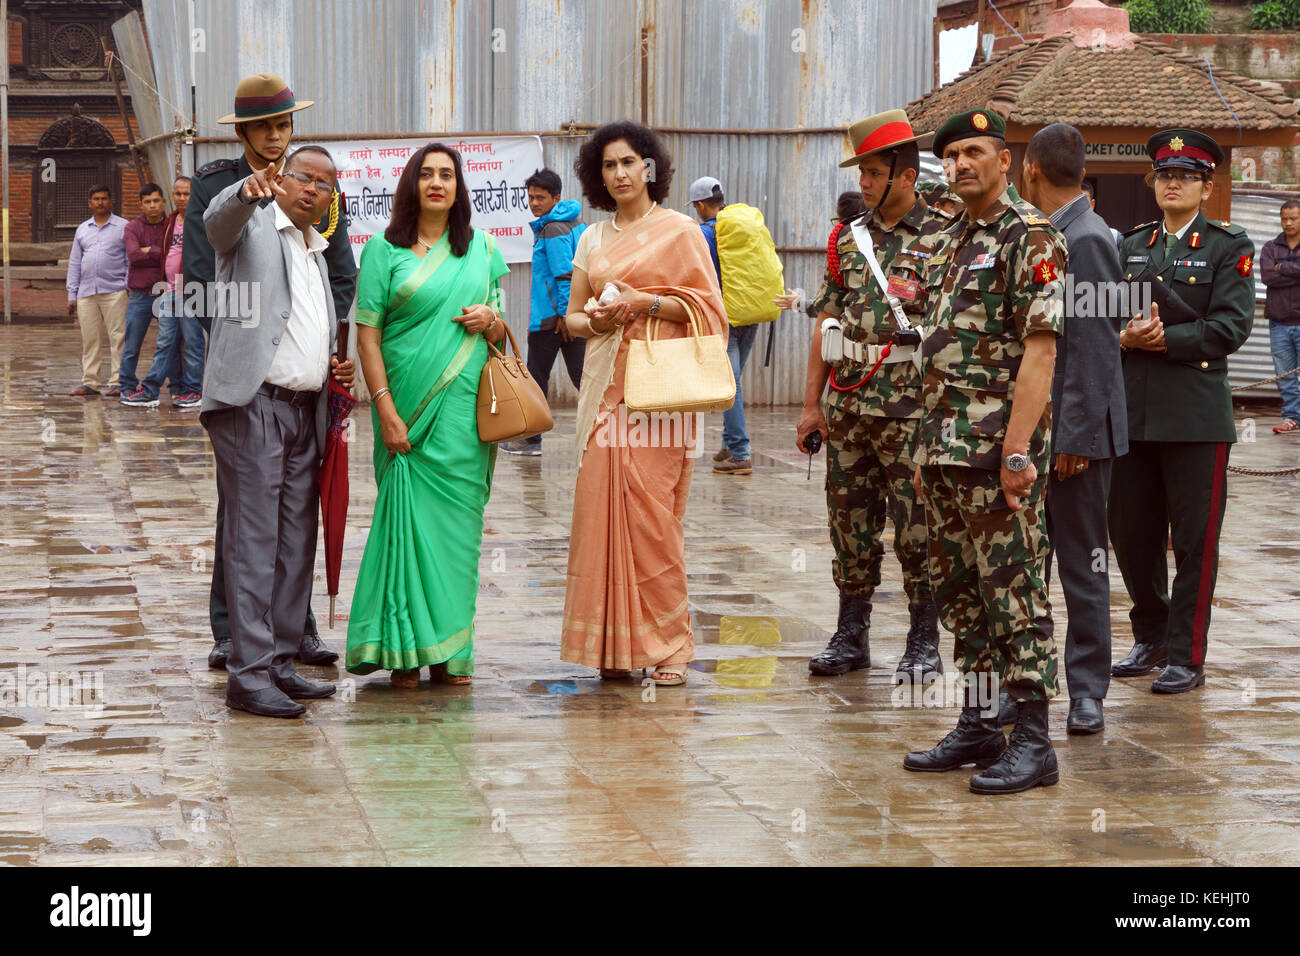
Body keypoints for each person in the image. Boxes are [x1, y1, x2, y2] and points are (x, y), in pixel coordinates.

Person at [903, 109, 1066, 795]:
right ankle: (977, 723)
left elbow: (1042, 347)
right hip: (939, 448)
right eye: (951, 156)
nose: (961, 164)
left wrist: (1019, 451)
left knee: (1015, 594)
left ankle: (1033, 741)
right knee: (961, 595)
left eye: (974, 151)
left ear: (1007, 160)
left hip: (995, 450)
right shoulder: (946, 237)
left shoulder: (1029, 236)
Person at [183, 74, 355, 671]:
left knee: (294, 519)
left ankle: (293, 630)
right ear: (246, 132)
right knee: (244, 516)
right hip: (251, 379)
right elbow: (204, 284)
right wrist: (251, 349)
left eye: (285, 125)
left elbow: (339, 275)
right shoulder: (219, 187)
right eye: (266, 127)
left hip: (304, 386)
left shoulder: (314, 186)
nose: (277, 137)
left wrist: (325, 348)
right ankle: (233, 632)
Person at [559, 121, 727, 687]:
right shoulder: (590, 239)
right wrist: (601, 318)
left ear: (648, 167)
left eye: (629, 162)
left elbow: (710, 312)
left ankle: (671, 646)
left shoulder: (680, 232)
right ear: (597, 176)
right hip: (603, 389)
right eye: (609, 166)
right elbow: (572, 317)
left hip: (660, 394)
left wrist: (645, 304)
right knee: (601, 514)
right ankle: (615, 644)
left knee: (653, 519)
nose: (620, 174)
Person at [346, 144, 508, 687]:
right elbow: (367, 337)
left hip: (463, 418)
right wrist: (385, 410)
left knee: (459, 535)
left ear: (460, 187)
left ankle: (452, 651)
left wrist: (491, 320)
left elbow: (503, 331)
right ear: (411, 185)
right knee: (406, 528)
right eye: (426, 174)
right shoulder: (382, 252)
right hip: (406, 413)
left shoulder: (483, 249)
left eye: (447, 174)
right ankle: (403, 651)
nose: (437, 182)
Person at [793, 110, 946, 683]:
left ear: (905, 175)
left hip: (911, 412)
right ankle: (851, 633)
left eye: (874, 173)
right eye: (861, 174)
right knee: (849, 523)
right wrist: (812, 405)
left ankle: (923, 638)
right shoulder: (848, 239)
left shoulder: (942, 238)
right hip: (849, 407)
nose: (864, 185)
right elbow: (824, 322)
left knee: (916, 528)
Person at [1109, 128, 1255, 694]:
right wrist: (1123, 337)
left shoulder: (1228, 245)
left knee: (1195, 540)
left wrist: (1164, 342)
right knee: (1131, 533)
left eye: (1186, 177)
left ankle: (1186, 655)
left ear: (1206, 185)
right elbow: (1106, 314)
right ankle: (1149, 635)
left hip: (1194, 417)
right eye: (1165, 175)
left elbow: (1230, 327)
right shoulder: (1133, 245)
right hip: (1132, 412)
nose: (1173, 184)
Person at [1017, 123, 1128, 735]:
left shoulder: (1083, 239)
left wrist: (1075, 441)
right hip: (1044, 435)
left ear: (1031, 168)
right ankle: (1027, 684)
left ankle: (1087, 691)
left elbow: (1094, 346)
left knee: (1083, 567)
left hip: (1076, 440)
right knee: (1029, 566)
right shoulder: (1048, 234)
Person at [502, 168, 586, 456]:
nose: (534, 203)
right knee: (584, 377)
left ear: (556, 197)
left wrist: (565, 316)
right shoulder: (573, 222)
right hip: (566, 317)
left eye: (541, 197)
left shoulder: (553, 228)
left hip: (552, 320)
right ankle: (606, 432)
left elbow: (565, 274)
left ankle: (531, 440)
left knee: (536, 378)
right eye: (531, 197)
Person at [689, 175, 762, 476]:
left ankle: (741, 452)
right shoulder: (742, 225)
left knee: (731, 386)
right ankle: (730, 445)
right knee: (734, 381)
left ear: (702, 204)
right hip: (753, 311)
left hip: (727, 316)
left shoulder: (704, 234)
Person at [122, 177, 205, 409]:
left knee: (193, 342)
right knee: (165, 342)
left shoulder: (201, 220)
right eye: (177, 194)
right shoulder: (170, 221)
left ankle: (192, 390)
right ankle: (150, 390)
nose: (181, 198)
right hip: (168, 291)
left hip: (192, 291)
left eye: (186, 194)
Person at [66, 185, 128, 398]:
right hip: (86, 292)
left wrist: (127, 285)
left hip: (115, 291)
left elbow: (130, 259)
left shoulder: (123, 226)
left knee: (118, 337)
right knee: (90, 338)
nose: (100, 202)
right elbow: (75, 263)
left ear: (111, 201)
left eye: (104, 198)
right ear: (89, 203)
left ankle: (118, 381)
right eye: (96, 199)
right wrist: (71, 294)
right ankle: (90, 382)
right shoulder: (83, 229)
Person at [117, 184, 169, 399]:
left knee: (169, 343)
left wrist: (152, 251)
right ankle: (127, 385)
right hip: (140, 296)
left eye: (156, 201)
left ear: (163, 201)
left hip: (166, 293)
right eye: (147, 202)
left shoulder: (171, 224)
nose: (153, 205)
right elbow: (134, 255)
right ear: (140, 204)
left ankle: (175, 385)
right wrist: (160, 254)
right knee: (132, 344)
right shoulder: (132, 227)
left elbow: (172, 255)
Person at [1262, 199, 1300, 433]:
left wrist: (1281, 268)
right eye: (1284, 218)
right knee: (1284, 376)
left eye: (1293, 218)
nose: (1288, 223)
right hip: (1278, 323)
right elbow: (1267, 276)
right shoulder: (1270, 247)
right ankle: (1292, 418)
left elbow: (1276, 273)